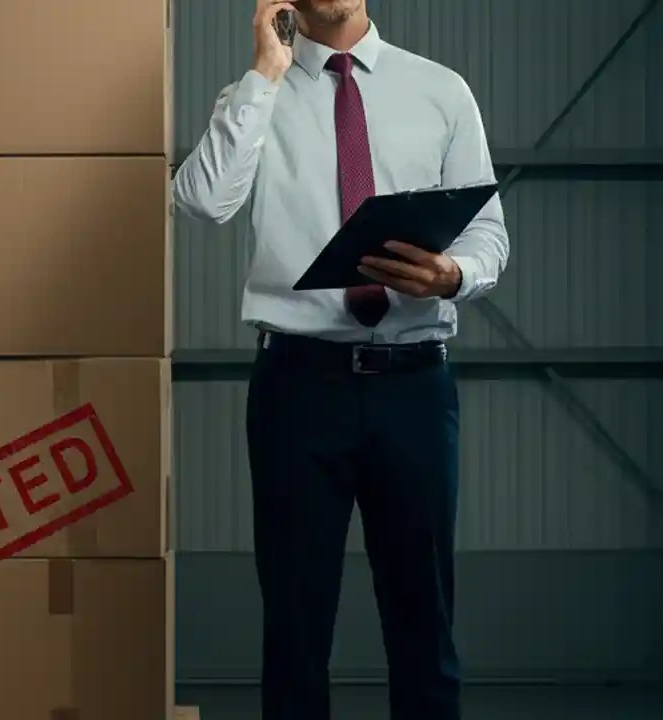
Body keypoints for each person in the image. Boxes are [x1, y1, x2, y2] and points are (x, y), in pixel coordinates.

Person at [172, 1, 510, 718]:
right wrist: (265, 71)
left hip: (414, 385)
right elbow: (201, 202)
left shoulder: (440, 91)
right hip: (299, 387)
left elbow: (488, 235)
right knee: (295, 626)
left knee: (424, 619)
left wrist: (452, 274)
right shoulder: (253, 96)